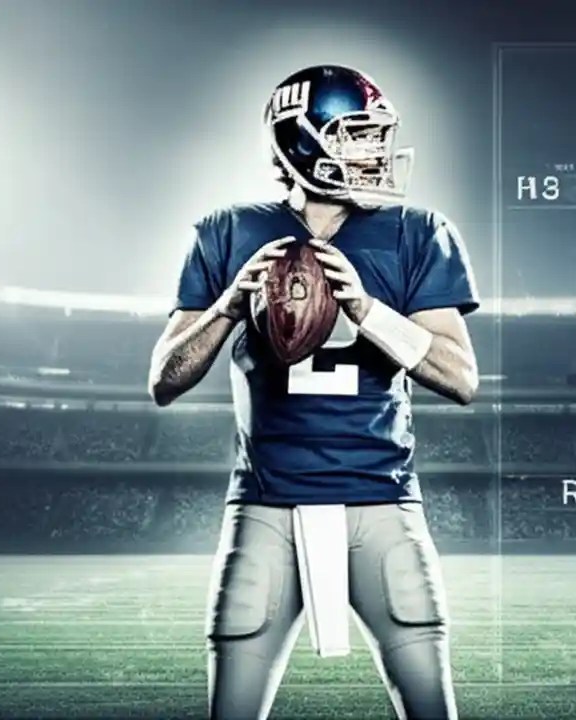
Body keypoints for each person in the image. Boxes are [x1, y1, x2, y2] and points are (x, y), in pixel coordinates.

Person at [148, 64, 479, 720]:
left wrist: (365, 309)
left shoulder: (419, 231)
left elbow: (460, 377)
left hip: (382, 500)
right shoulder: (226, 232)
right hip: (265, 505)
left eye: (376, 135)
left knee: (431, 709)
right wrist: (227, 307)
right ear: (302, 142)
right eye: (355, 136)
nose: (374, 151)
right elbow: (164, 380)